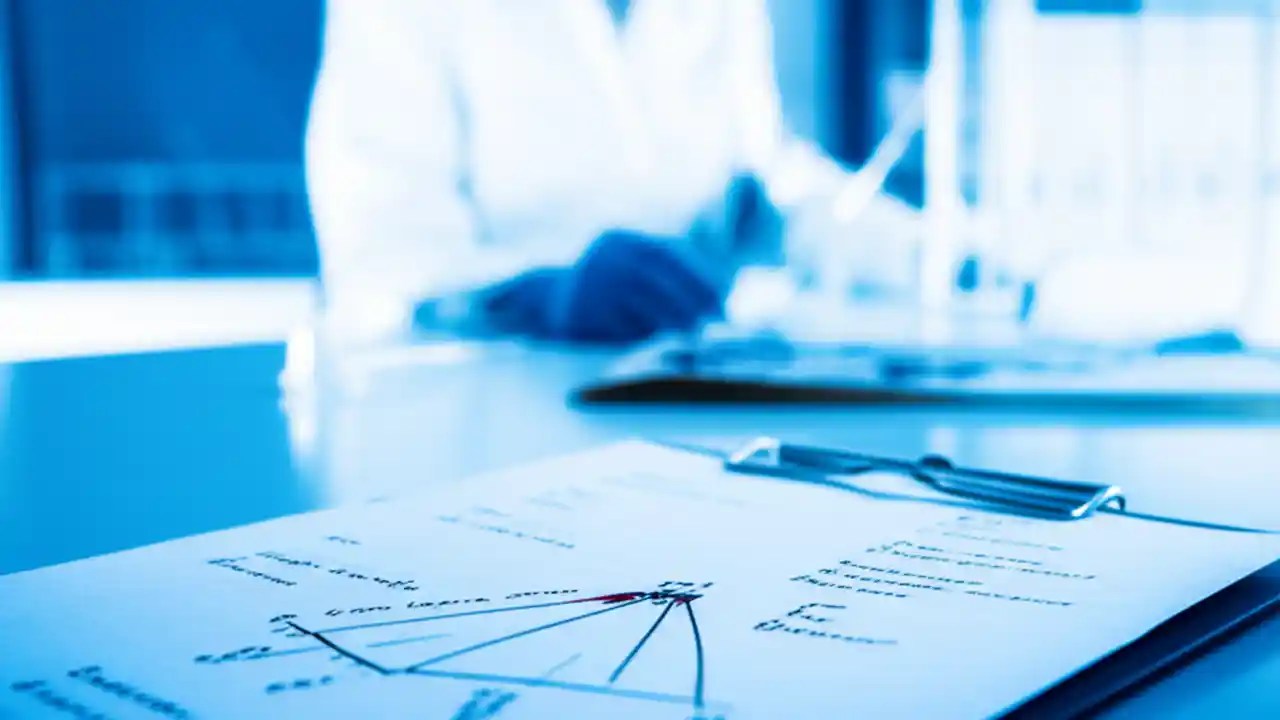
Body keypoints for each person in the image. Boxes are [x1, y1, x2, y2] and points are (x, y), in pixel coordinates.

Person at [306, 0, 917, 344]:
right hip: (476, 406)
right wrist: (544, 295)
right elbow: (382, 252)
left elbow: (758, 173)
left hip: (685, 388)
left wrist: (927, 249)